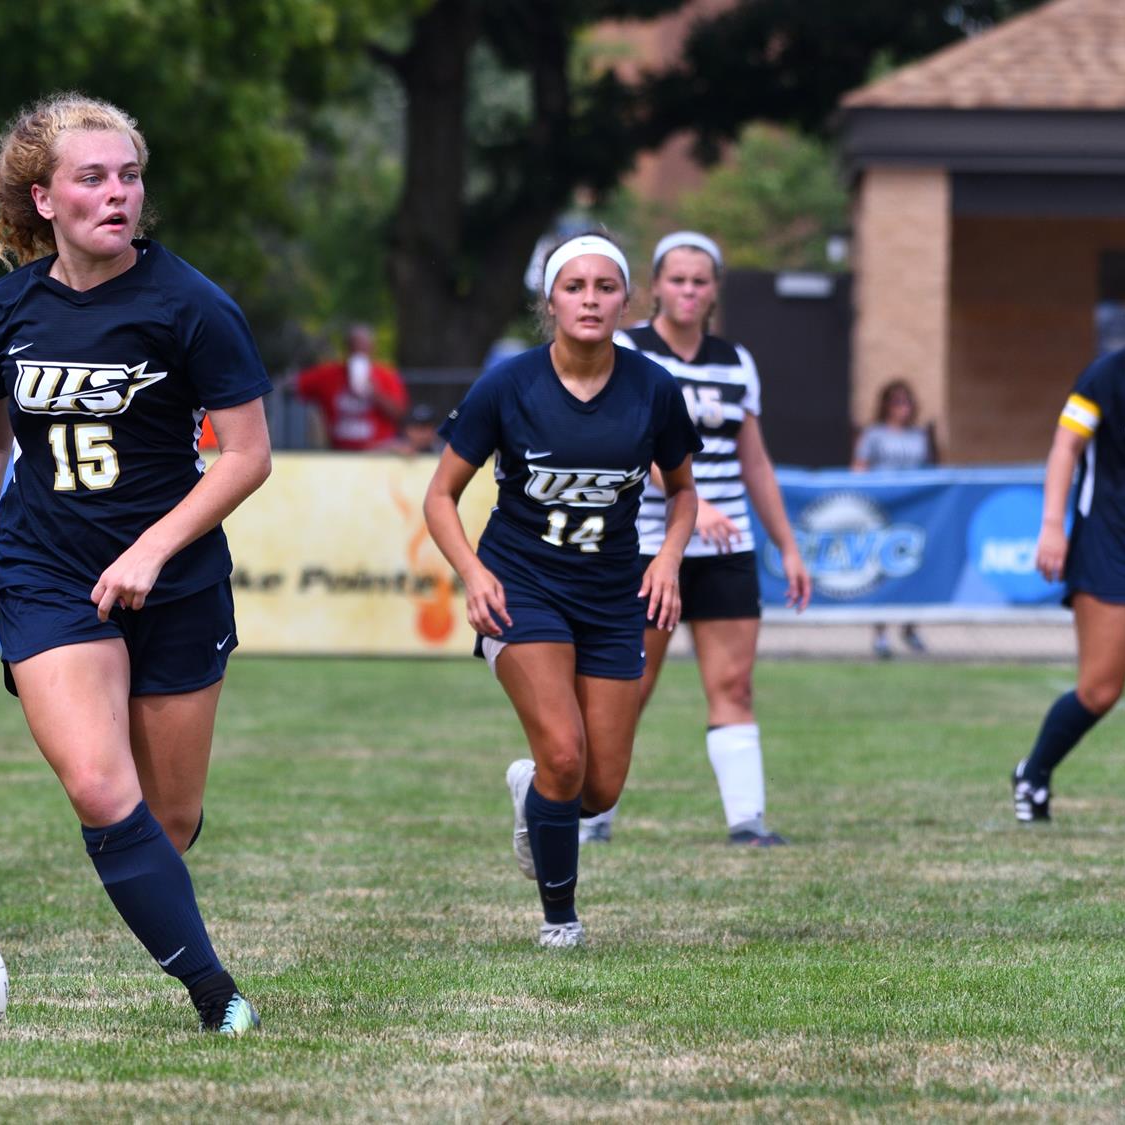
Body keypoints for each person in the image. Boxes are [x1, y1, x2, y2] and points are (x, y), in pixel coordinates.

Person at [0, 93, 272, 1034]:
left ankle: (176, 935)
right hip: (46, 568)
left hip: (177, 579)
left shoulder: (194, 306)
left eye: (129, 176)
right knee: (97, 783)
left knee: (168, 821)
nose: (117, 193)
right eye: (93, 177)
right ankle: (218, 994)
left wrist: (153, 550)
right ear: (44, 199)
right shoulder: (1, 310)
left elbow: (247, 455)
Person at [422, 233, 700, 948]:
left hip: (611, 596)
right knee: (566, 755)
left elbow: (684, 492)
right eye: (574, 287)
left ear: (626, 301)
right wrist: (474, 573)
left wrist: (668, 557)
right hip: (522, 586)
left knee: (598, 788)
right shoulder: (508, 384)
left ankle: (533, 788)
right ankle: (560, 918)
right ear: (550, 301)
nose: (590, 299)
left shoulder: (652, 389)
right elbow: (440, 496)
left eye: (605, 287)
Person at [578, 232, 812, 848]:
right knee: (628, 682)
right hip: (649, 544)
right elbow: (624, 441)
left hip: (726, 547)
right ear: (656, 287)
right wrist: (695, 502)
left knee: (734, 684)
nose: (688, 291)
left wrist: (786, 544)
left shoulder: (735, 359)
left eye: (700, 280)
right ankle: (591, 815)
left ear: (714, 290)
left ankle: (747, 822)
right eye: (677, 279)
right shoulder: (628, 350)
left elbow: (753, 462)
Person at [1011, 273, 1125, 825]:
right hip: (1111, 543)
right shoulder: (1107, 376)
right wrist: (1052, 526)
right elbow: (1066, 447)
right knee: (1100, 689)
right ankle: (1034, 772)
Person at [851, 380, 935, 658]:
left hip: (913, 511)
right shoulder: (874, 435)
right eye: (897, 401)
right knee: (883, 567)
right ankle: (880, 633)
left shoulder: (919, 436)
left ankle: (910, 628)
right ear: (886, 404)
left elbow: (931, 471)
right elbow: (859, 470)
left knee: (912, 566)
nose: (903, 407)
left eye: (907, 401)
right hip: (884, 511)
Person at [293, 324, 410, 451]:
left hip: (378, 454)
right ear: (346, 349)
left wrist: (375, 393)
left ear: (372, 348)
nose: (358, 352)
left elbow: (399, 413)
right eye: (354, 347)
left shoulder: (386, 376)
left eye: (363, 347)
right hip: (340, 453)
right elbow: (292, 386)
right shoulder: (329, 375)